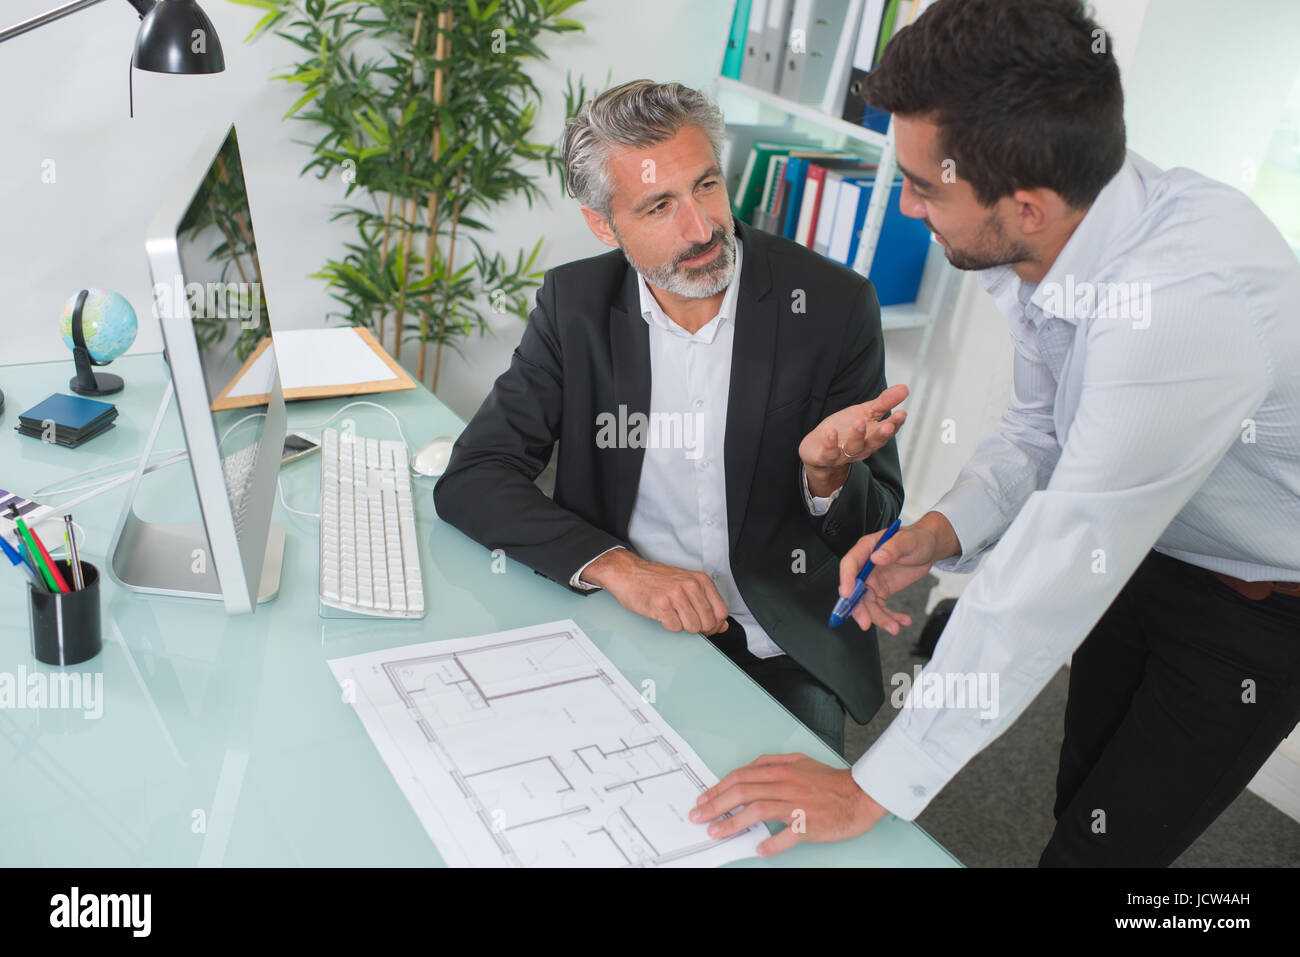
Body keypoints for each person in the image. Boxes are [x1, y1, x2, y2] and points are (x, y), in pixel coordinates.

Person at [692, 0, 1300, 865]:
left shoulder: (1179, 313)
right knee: (1082, 801)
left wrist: (870, 784)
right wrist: (938, 533)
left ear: (1025, 203)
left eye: (925, 187)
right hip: (1153, 540)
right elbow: (1041, 429)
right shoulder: (1045, 235)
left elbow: (1049, 574)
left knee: (1110, 855)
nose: (905, 208)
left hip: (1264, 601)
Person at [434, 80, 908, 756]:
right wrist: (620, 568)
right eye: (660, 205)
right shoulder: (577, 308)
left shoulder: (832, 305)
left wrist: (828, 476)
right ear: (604, 224)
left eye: (707, 186)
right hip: (632, 625)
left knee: (783, 842)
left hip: (784, 644)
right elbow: (475, 475)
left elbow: (876, 522)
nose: (702, 227)